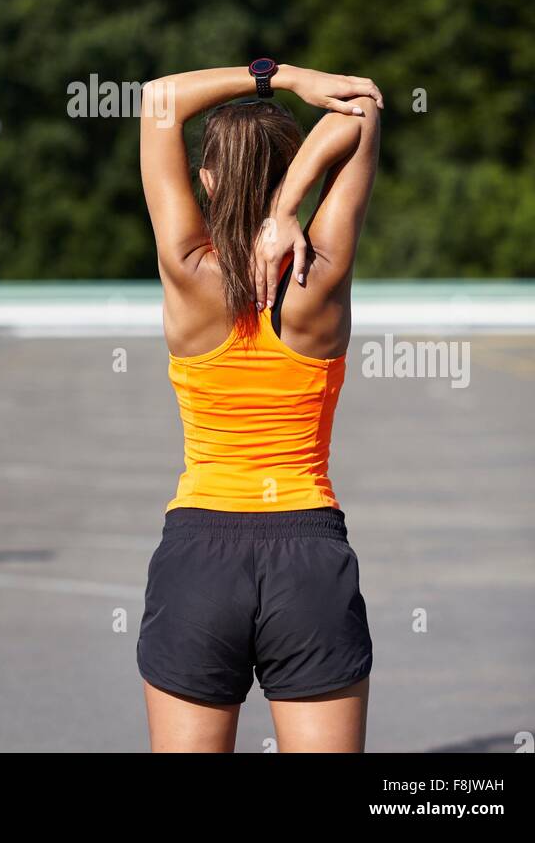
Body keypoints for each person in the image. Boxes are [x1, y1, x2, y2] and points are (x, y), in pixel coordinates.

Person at [136, 58, 383, 753]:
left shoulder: (188, 269)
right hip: (308, 553)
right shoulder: (318, 275)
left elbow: (158, 101)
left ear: (206, 180)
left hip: (198, 558)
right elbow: (362, 110)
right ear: (292, 167)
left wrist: (277, 76)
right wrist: (287, 208)